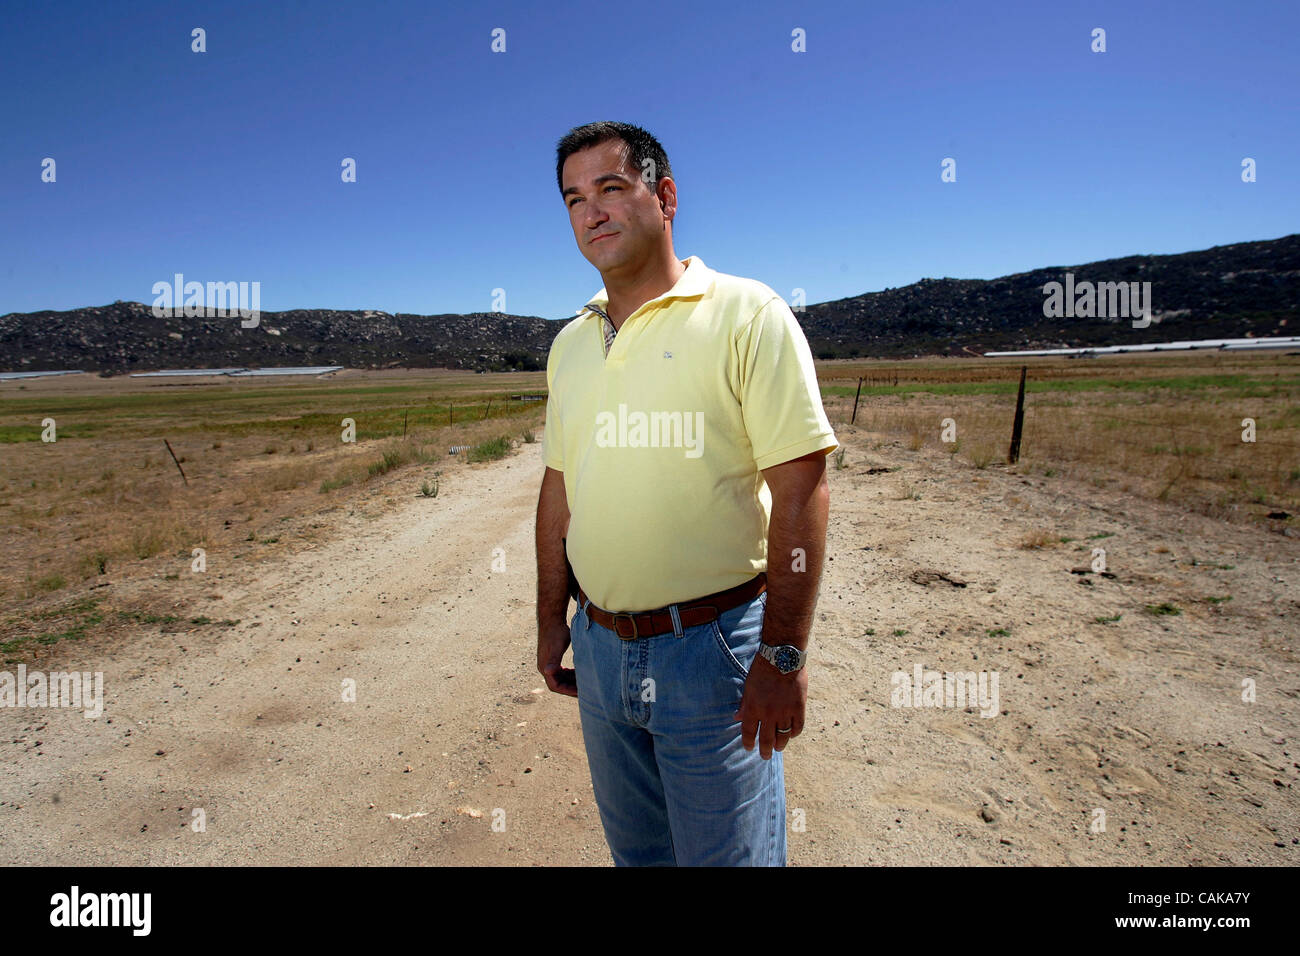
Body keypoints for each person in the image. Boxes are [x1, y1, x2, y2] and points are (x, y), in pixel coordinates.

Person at [535, 121, 837, 866]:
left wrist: (785, 656)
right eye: (575, 198)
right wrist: (552, 621)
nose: (591, 212)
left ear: (664, 196)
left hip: (712, 651)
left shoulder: (748, 314)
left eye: (611, 188)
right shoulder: (571, 343)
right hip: (600, 649)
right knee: (641, 858)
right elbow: (558, 493)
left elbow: (802, 490)